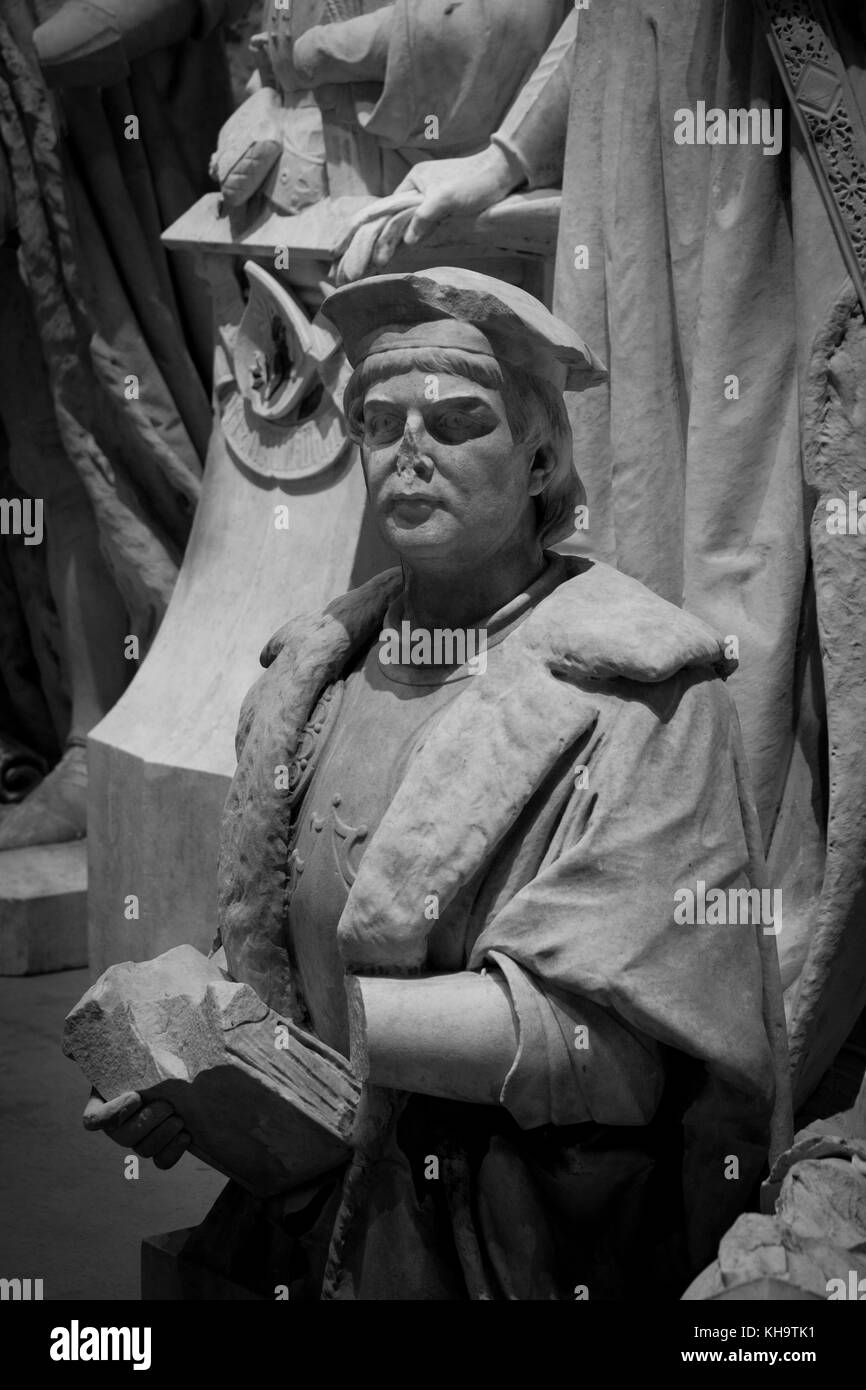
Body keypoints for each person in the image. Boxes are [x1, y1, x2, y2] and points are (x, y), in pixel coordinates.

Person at [84, 268, 787, 1301]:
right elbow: (271, 958)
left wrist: (374, 1038)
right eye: (379, 423)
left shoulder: (642, 701)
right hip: (311, 1213)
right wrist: (204, 1069)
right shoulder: (308, 680)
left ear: (541, 456)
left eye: (457, 423)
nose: (409, 452)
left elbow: (632, 1050)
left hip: (516, 1247)